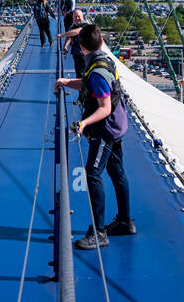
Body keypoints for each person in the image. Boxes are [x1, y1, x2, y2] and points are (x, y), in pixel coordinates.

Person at [55, 23, 135, 249]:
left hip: (105, 128)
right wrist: (67, 82)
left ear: (80, 48)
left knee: (92, 174)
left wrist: (83, 123)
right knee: (117, 172)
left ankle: (99, 233)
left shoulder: (97, 70)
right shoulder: (104, 60)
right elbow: (90, 85)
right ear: (101, 43)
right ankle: (124, 221)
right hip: (117, 124)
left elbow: (104, 106)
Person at [61, 8, 88, 78]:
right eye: (75, 17)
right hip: (76, 54)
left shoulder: (86, 26)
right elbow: (70, 36)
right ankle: (80, 87)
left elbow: (77, 31)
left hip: (85, 55)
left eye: (78, 16)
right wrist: (65, 46)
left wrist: (63, 35)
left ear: (82, 16)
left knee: (85, 74)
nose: (77, 18)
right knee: (78, 73)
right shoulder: (73, 26)